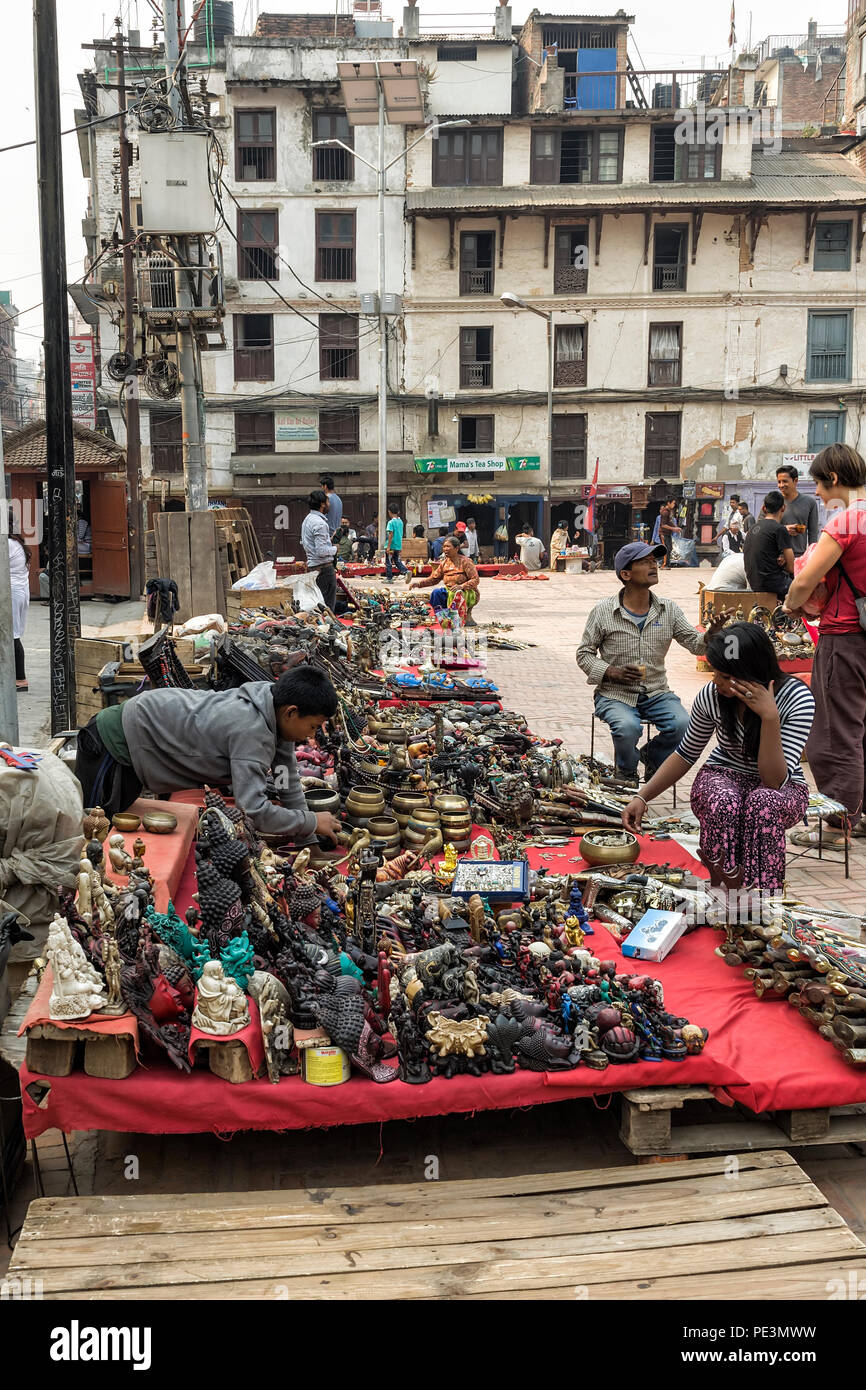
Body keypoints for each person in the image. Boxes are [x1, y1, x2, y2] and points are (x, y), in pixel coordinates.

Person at [623, 625, 814, 896]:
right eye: (715, 672)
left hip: (782, 785)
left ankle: (760, 904)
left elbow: (774, 781)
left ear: (751, 673)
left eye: (725, 676)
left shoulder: (795, 698)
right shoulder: (711, 696)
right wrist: (642, 797)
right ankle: (720, 893)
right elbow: (686, 753)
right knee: (723, 801)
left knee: (763, 804)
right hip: (724, 773)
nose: (716, 682)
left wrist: (769, 717)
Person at [75, 665, 342, 844]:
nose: (310, 736)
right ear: (292, 712)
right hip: (114, 741)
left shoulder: (276, 711)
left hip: (143, 741)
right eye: (313, 726)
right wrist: (310, 822)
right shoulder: (253, 729)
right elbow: (253, 810)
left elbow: (287, 783)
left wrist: (310, 839)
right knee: (93, 835)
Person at [576, 541, 728, 784]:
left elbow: (696, 645)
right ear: (626, 574)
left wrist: (711, 634)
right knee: (627, 727)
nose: (653, 565)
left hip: (657, 693)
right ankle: (625, 774)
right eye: (644, 562)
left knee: (683, 725)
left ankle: (652, 758)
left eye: (654, 561)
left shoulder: (669, 610)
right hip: (615, 694)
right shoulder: (603, 611)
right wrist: (612, 672)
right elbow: (583, 654)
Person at [785, 444, 866, 848]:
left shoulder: (849, 521)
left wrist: (789, 604)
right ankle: (861, 813)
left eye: (818, 483)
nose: (817, 493)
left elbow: (803, 582)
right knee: (862, 728)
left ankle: (838, 824)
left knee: (834, 732)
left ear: (834, 479)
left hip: (846, 638)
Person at [408, 532, 480, 623]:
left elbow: (475, 579)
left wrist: (462, 586)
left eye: (448, 547)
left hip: (467, 591)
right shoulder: (444, 563)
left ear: (456, 548)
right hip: (449, 590)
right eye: (444, 547)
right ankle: (442, 619)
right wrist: (418, 584)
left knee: (455, 594)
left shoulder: (466, 562)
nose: (445, 549)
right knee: (436, 593)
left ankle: (456, 619)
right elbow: (434, 579)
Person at [742, 490, 794, 598]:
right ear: (783, 508)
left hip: (754, 583)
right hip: (773, 583)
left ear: (764, 508)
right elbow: (791, 567)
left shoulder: (753, 528)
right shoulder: (780, 529)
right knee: (804, 588)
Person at [300, 488, 337, 610]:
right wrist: (335, 549)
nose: (329, 504)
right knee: (327, 609)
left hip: (314, 568)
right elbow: (321, 551)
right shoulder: (319, 523)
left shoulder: (307, 520)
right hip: (324, 570)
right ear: (322, 504)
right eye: (327, 502)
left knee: (318, 607)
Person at [776, 464, 819, 558]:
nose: (781, 485)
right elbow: (763, 527)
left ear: (795, 481)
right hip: (777, 556)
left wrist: (812, 556)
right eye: (779, 482)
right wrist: (783, 529)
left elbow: (813, 533)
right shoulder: (773, 502)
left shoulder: (809, 503)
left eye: (785, 481)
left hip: (800, 556)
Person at [8, 526, 30, 692]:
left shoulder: (8, 544)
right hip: (19, 592)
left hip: (13, 593)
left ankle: (21, 679)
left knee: (13, 635)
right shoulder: (18, 543)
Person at [653, 501, 682, 569]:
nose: (674, 505)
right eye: (673, 503)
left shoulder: (669, 511)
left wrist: (675, 527)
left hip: (667, 533)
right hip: (663, 533)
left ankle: (666, 564)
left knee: (669, 548)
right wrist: (673, 528)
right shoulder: (665, 512)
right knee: (666, 548)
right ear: (669, 503)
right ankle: (664, 564)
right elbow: (663, 525)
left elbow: (669, 522)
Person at [384, 503, 408, 582]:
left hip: (391, 545)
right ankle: (406, 571)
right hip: (398, 545)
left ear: (389, 512)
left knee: (388, 562)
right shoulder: (400, 521)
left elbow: (391, 534)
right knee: (397, 561)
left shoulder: (390, 522)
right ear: (398, 512)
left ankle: (389, 578)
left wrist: (388, 546)